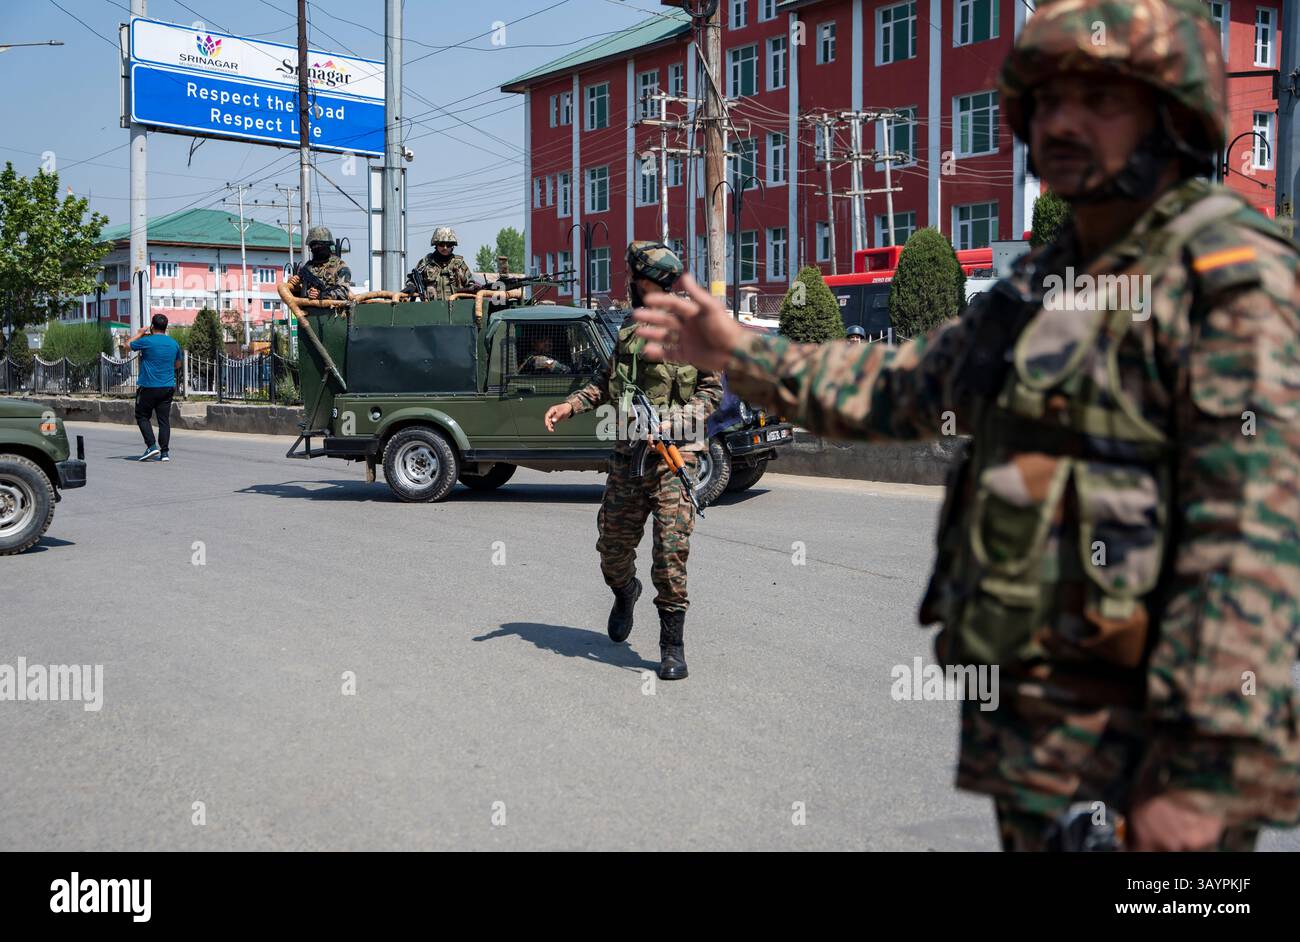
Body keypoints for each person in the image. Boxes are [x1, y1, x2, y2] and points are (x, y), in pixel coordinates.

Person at [634, 0, 1300, 849]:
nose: (1060, 121)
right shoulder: (1053, 277)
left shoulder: (1225, 270)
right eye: (1047, 99)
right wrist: (738, 353)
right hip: (1043, 719)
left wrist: (1203, 779)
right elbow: (909, 383)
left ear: (1172, 115)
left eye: (1097, 99)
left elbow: (1256, 536)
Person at [544, 241, 723, 680]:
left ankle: (671, 646)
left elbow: (712, 393)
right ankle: (625, 592)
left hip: (675, 455)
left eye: (635, 276)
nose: (629, 282)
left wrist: (675, 420)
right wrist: (572, 405)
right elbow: (608, 382)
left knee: (670, 549)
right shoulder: (629, 327)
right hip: (629, 456)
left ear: (651, 281)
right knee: (612, 548)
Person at [127, 314, 183, 462]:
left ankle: (151, 446)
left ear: (152, 326)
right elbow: (178, 365)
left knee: (142, 416)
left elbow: (127, 345)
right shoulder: (174, 343)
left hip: (148, 386)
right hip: (167, 387)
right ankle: (164, 453)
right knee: (163, 420)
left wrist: (139, 334)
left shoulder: (146, 341)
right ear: (166, 327)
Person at [404, 226, 475, 301]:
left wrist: (473, 288)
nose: (445, 248)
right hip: (431, 308)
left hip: (456, 308)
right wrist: (411, 286)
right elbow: (413, 280)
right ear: (436, 244)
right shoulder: (426, 263)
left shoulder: (459, 264)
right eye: (441, 244)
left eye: (448, 245)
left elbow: (470, 284)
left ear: (453, 246)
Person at [286, 226, 352, 302]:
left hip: (333, 311)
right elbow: (298, 293)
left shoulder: (340, 266)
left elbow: (344, 292)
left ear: (327, 246)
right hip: (309, 310)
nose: (316, 248)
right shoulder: (308, 267)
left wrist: (322, 295)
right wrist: (295, 284)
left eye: (319, 246)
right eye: (313, 246)